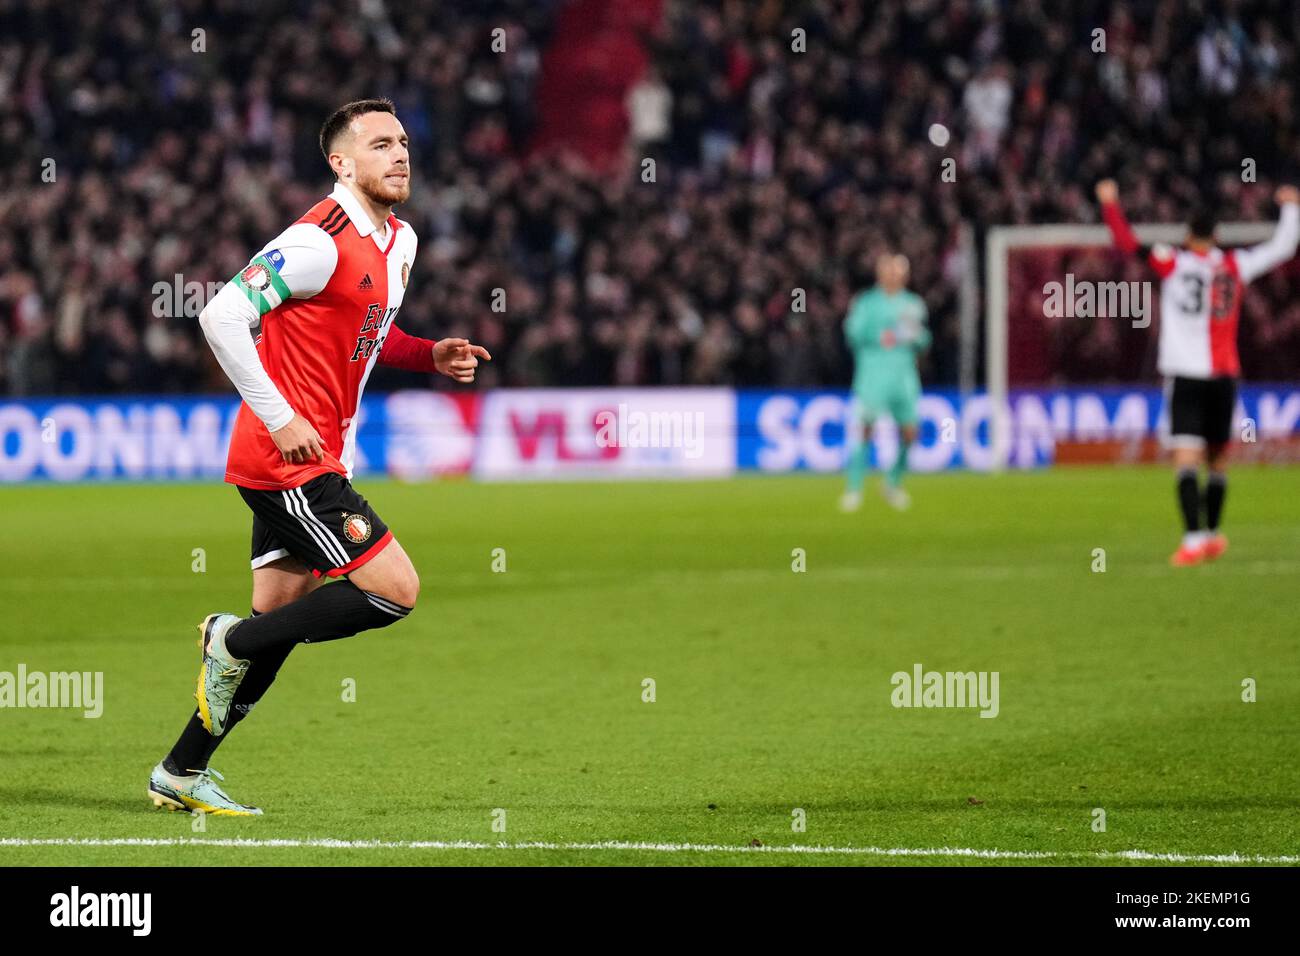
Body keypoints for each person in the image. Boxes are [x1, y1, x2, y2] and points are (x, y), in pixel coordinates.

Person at [148, 99, 491, 815]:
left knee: (281, 621)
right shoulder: (317, 239)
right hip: (287, 462)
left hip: (317, 454)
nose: (399, 155)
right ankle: (229, 639)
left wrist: (430, 354)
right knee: (394, 590)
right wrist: (280, 418)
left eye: (402, 142)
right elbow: (220, 315)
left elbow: (366, 333)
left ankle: (182, 769)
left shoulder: (400, 243)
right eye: (378, 145)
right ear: (341, 163)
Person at [1096, 178, 1300, 566]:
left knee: (1186, 459)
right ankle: (1212, 535)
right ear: (1217, 235)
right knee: (1218, 460)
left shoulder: (1172, 261)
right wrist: (1291, 207)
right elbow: (1283, 247)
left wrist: (1109, 203)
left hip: (1186, 374)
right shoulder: (1236, 264)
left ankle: (1192, 540)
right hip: (1224, 374)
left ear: (1189, 236)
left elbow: (1126, 242)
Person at [841, 254, 931, 512]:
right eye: (888, 271)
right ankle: (854, 488)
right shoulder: (866, 303)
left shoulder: (914, 304)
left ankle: (892, 482)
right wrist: (881, 335)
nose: (893, 276)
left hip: (904, 376)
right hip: (873, 374)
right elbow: (853, 332)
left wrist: (915, 336)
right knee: (865, 429)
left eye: (898, 272)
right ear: (880, 274)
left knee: (911, 432)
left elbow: (924, 339)